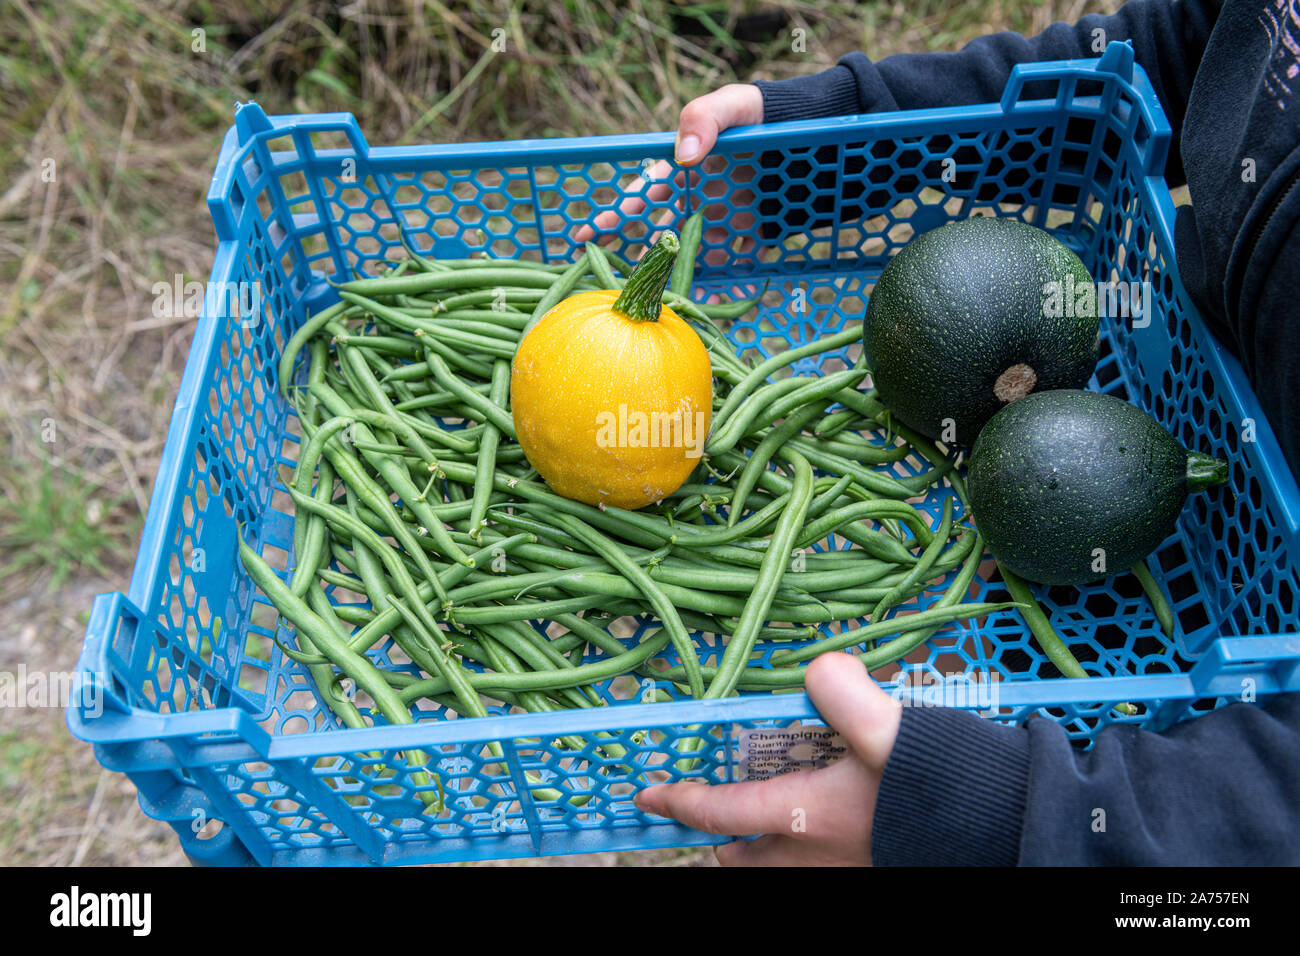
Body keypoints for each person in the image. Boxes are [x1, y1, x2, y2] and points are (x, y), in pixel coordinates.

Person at [609, 0, 1300, 865]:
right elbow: (1177, 50)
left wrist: (1005, 820)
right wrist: (851, 136)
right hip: (1111, 427)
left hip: (1210, 748)